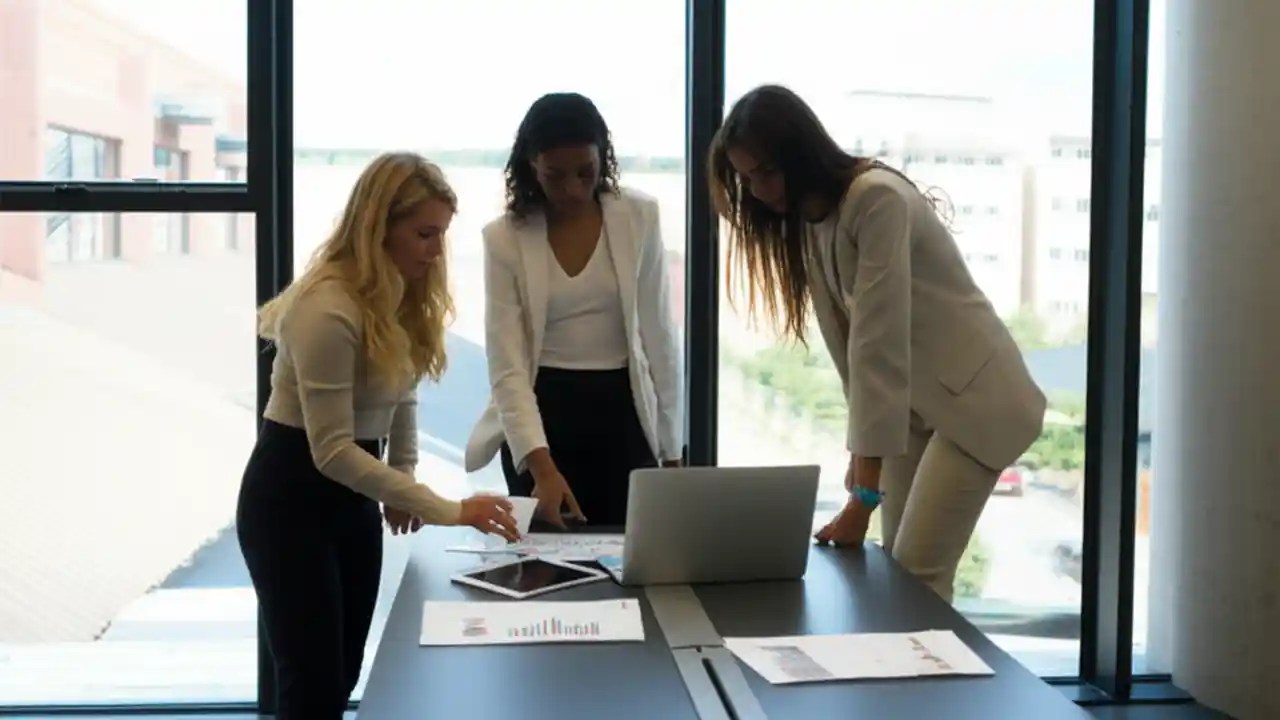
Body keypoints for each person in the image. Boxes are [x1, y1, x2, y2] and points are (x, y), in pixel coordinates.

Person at [708, 85, 1046, 603]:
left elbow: (877, 346)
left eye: (766, 173)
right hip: (917, 409)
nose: (757, 191)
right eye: (747, 178)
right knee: (899, 574)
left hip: (978, 402)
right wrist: (864, 465)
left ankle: (928, 684)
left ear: (801, 154)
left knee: (917, 577)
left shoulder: (875, 198)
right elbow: (851, 356)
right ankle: (910, 681)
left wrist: (862, 495)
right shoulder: (812, 221)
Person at [237, 152, 519, 718]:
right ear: (378, 227)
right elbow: (332, 450)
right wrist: (446, 508)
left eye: (440, 234)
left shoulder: (395, 294)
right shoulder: (326, 308)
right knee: (310, 684)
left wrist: (402, 478)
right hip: (291, 498)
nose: (435, 250)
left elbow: (401, 389)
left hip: (350, 496)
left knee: (340, 674)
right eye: (424, 234)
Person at [464, 92, 684, 528]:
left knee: (629, 558)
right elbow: (507, 368)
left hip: (624, 411)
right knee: (547, 568)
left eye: (586, 172)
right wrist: (542, 468)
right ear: (531, 166)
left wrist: (673, 453)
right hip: (541, 418)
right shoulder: (505, 238)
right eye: (555, 176)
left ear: (605, 159)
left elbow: (660, 340)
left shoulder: (639, 216)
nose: (573, 189)